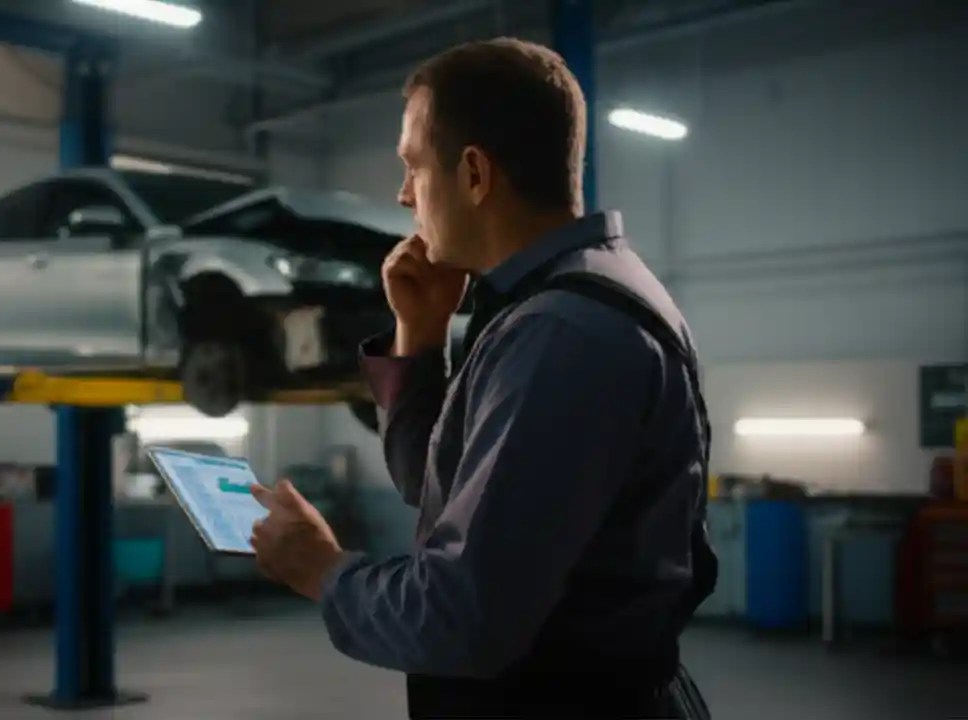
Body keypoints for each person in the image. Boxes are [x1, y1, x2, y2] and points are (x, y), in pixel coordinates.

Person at [250, 36, 715, 719]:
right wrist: (420, 333)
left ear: (473, 174)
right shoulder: (563, 299)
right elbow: (435, 484)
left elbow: (462, 620)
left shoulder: (562, 336)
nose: (403, 193)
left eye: (413, 166)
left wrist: (322, 569)